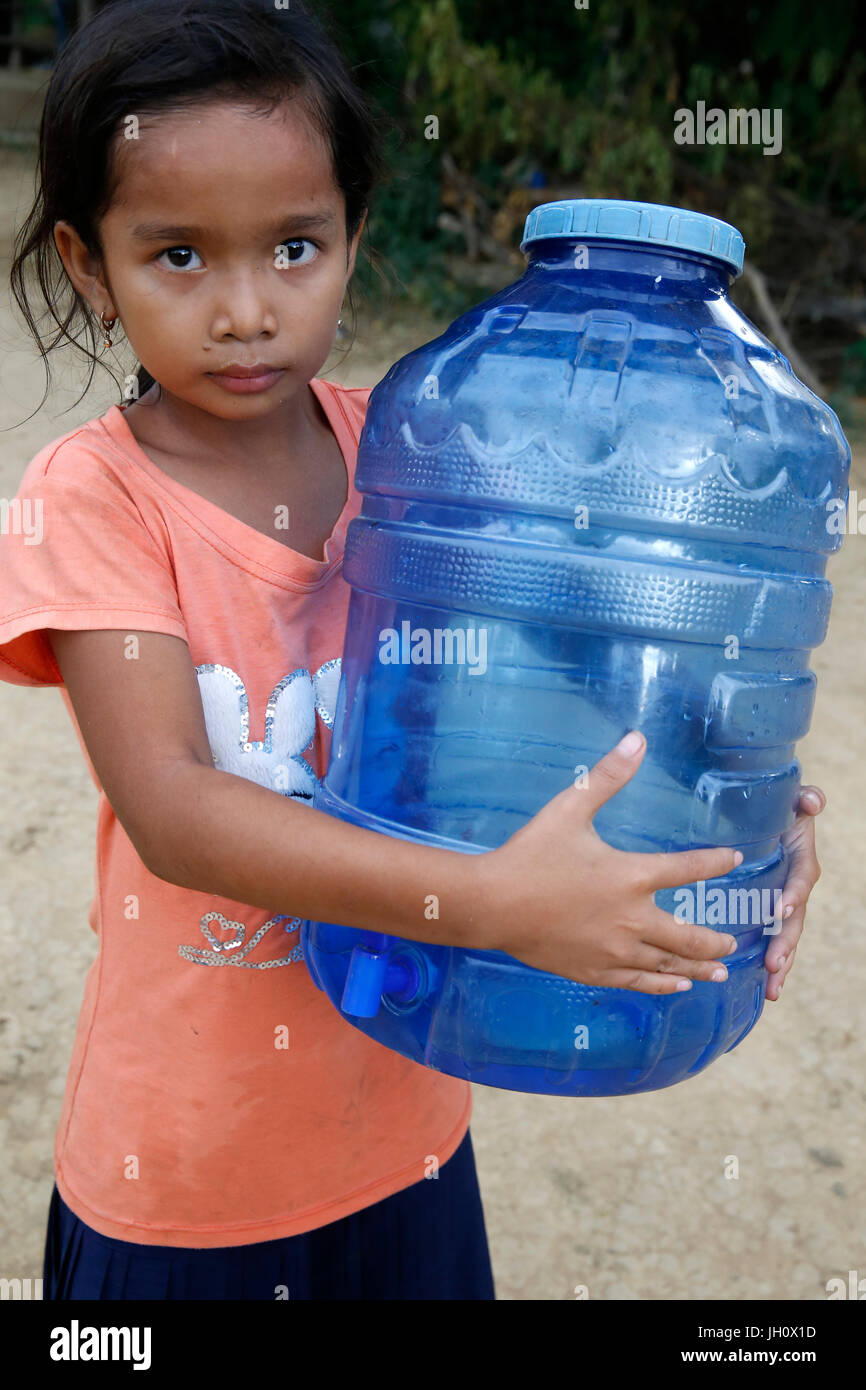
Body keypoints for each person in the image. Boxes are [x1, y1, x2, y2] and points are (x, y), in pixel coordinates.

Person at [0, 0, 824, 1301]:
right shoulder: (96, 496)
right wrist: (491, 904)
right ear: (89, 266)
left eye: (294, 246)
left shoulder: (422, 444)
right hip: (190, 1175)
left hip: (409, 1115)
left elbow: (592, 671)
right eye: (178, 255)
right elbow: (173, 811)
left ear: (352, 238)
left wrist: (749, 817)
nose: (245, 310)